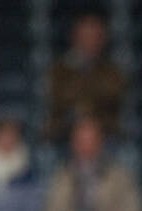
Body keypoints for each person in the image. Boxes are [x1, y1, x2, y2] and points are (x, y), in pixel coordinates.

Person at [44, 116, 142, 211]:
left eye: (90, 140)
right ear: (73, 143)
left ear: (100, 142)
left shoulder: (118, 175)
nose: (86, 146)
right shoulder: (62, 175)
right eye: (81, 141)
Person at [46, 7, 128, 142]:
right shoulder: (58, 70)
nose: (90, 41)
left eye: (95, 36)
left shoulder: (114, 71)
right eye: (85, 36)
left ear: (103, 39)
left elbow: (112, 96)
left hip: (106, 133)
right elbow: (59, 99)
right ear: (75, 36)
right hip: (65, 133)